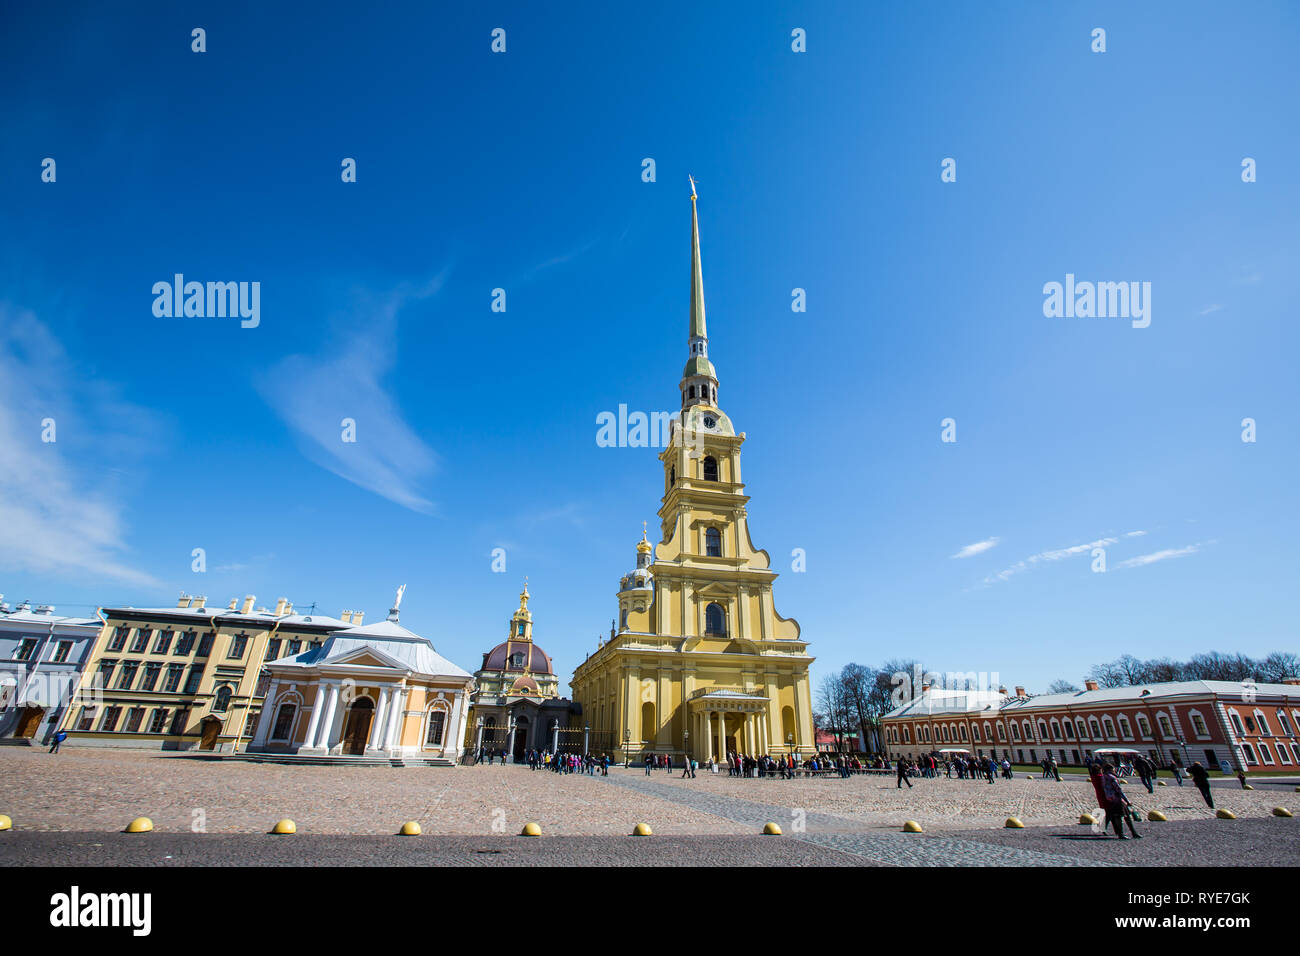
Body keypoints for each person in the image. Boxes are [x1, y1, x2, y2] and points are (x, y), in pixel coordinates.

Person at [1101, 763, 1141, 839]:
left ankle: (1128, 833)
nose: (1114, 770)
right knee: (1125, 816)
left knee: (1119, 816)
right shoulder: (1112, 778)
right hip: (1118, 799)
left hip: (1110, 799)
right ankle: (1128, 833)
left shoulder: (1103, 777)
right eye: (1113, 769)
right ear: (1110, 769)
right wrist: (1127, 800)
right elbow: (1119, 790)